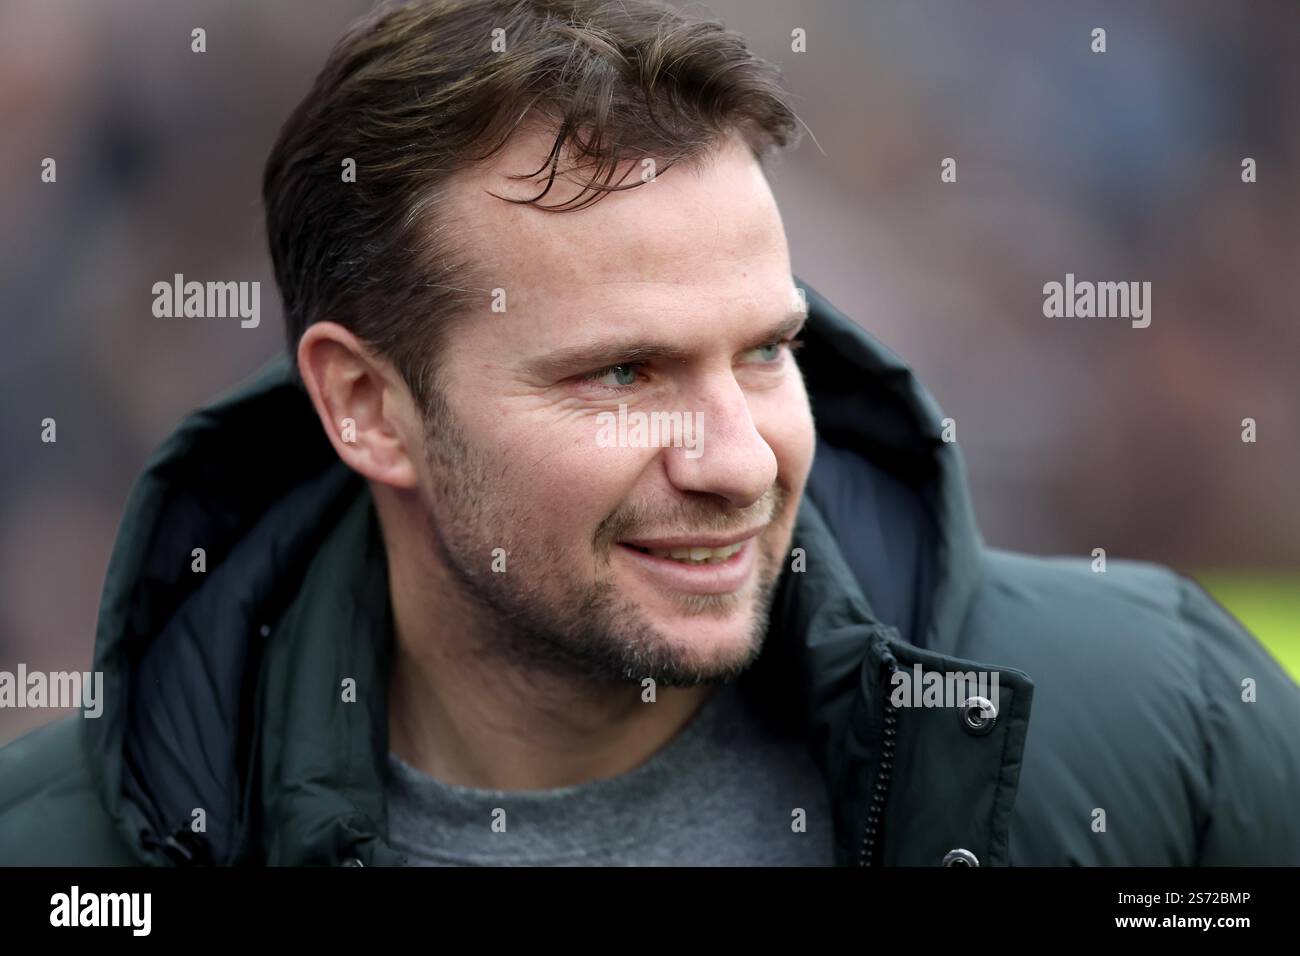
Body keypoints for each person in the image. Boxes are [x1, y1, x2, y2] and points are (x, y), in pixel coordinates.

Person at [2, 0, 1297, 867]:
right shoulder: (69, 852)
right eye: (624, 375)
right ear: (365, 406)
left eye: (767, 352)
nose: (735, 458)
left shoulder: (1165, 731)